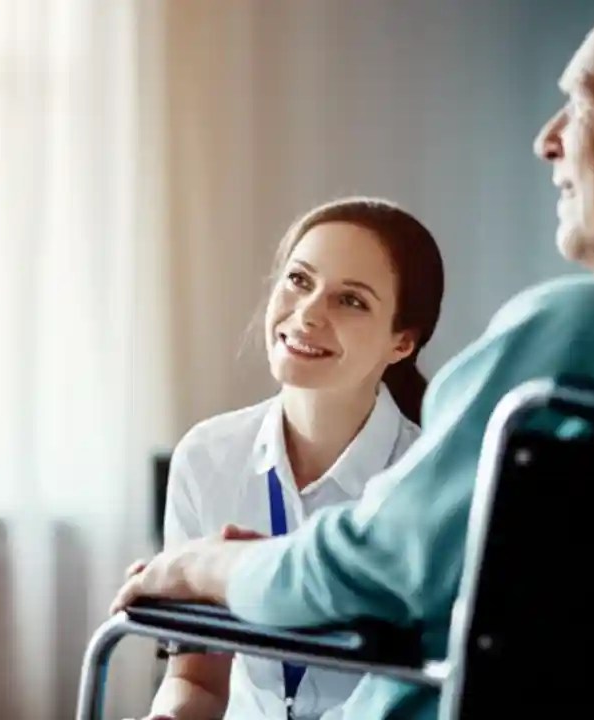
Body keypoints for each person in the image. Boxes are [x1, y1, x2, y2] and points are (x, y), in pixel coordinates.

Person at [111, 1, 594, 719]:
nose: (547, 141)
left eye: (579, 102)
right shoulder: (213, 453)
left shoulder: (580, 343)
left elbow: (370, 572)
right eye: (297, 280)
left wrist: (202, 564)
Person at [132, 197, 445, 720]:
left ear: (402, 342)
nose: (307, 313)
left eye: (351, 300)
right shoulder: (207, 458)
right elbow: (197, 680)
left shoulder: (428, 481)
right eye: (299, 281)